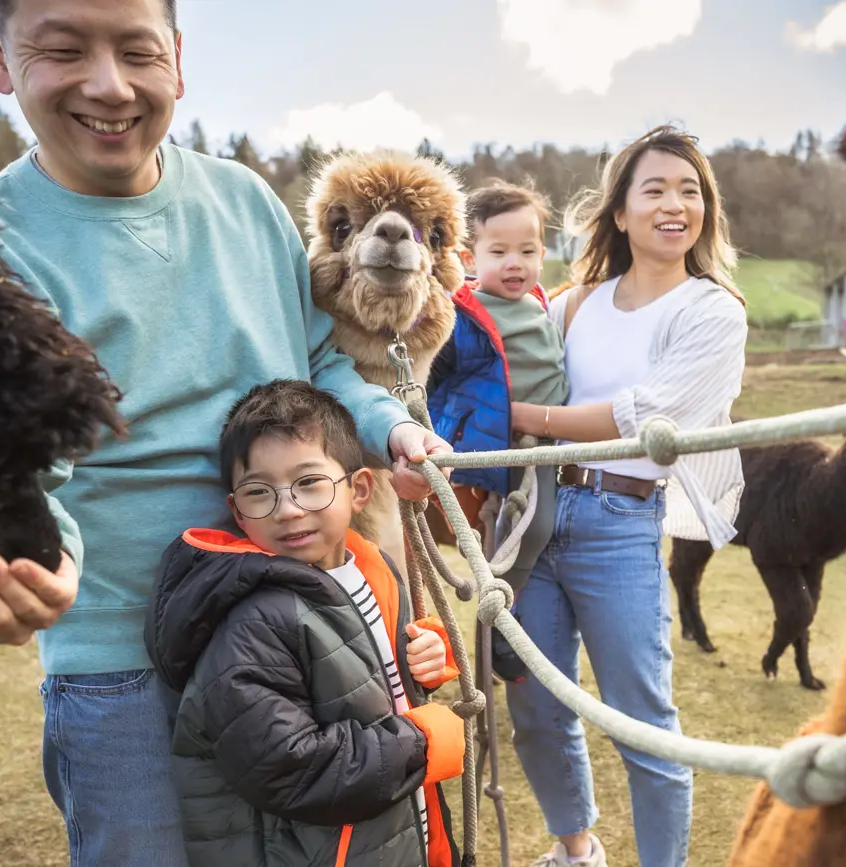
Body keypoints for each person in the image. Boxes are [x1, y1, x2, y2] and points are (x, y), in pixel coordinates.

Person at [0, 2, 452, 864]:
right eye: (62, 50)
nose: (109, 85)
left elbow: (324, 364)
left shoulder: (244, 200)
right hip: (126, 665)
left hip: (310, 624)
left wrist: (390, 429)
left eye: (138, 51)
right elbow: (6, 467)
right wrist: (23, 557)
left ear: (177, 56)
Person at [504, 126, 749, 867]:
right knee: (535, 703)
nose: (676, 204)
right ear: (619, 212)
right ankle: (577, 849)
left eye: (691, 191)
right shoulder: (573, 306)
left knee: (643, 720)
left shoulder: (712, 311)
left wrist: (527, 419)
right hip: (540, 517)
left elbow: (646, 420)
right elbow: (508, 366)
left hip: (620, 520)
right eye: (656, 189)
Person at [145, 379, 465, 866]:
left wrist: (420, 658)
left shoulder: (370, 568)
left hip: (391, 836)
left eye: (309, 483)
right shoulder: (253, 619)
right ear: (237, 510)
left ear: (358, 488)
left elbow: (362, 674)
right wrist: (423, 743)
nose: (289, 509)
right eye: (259, 492)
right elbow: (290, 767)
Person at [425, 180, 569, 683]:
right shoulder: (462, 314)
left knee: (528, 530)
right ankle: (500, 629)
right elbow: (434, 372)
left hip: (547, 444)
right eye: (499, 251)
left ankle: (502, 623)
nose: (515, 263)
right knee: (526, 530)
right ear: (470, 256)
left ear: (543, 254)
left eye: (527, 251)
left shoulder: (539, 300)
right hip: (503, 445)